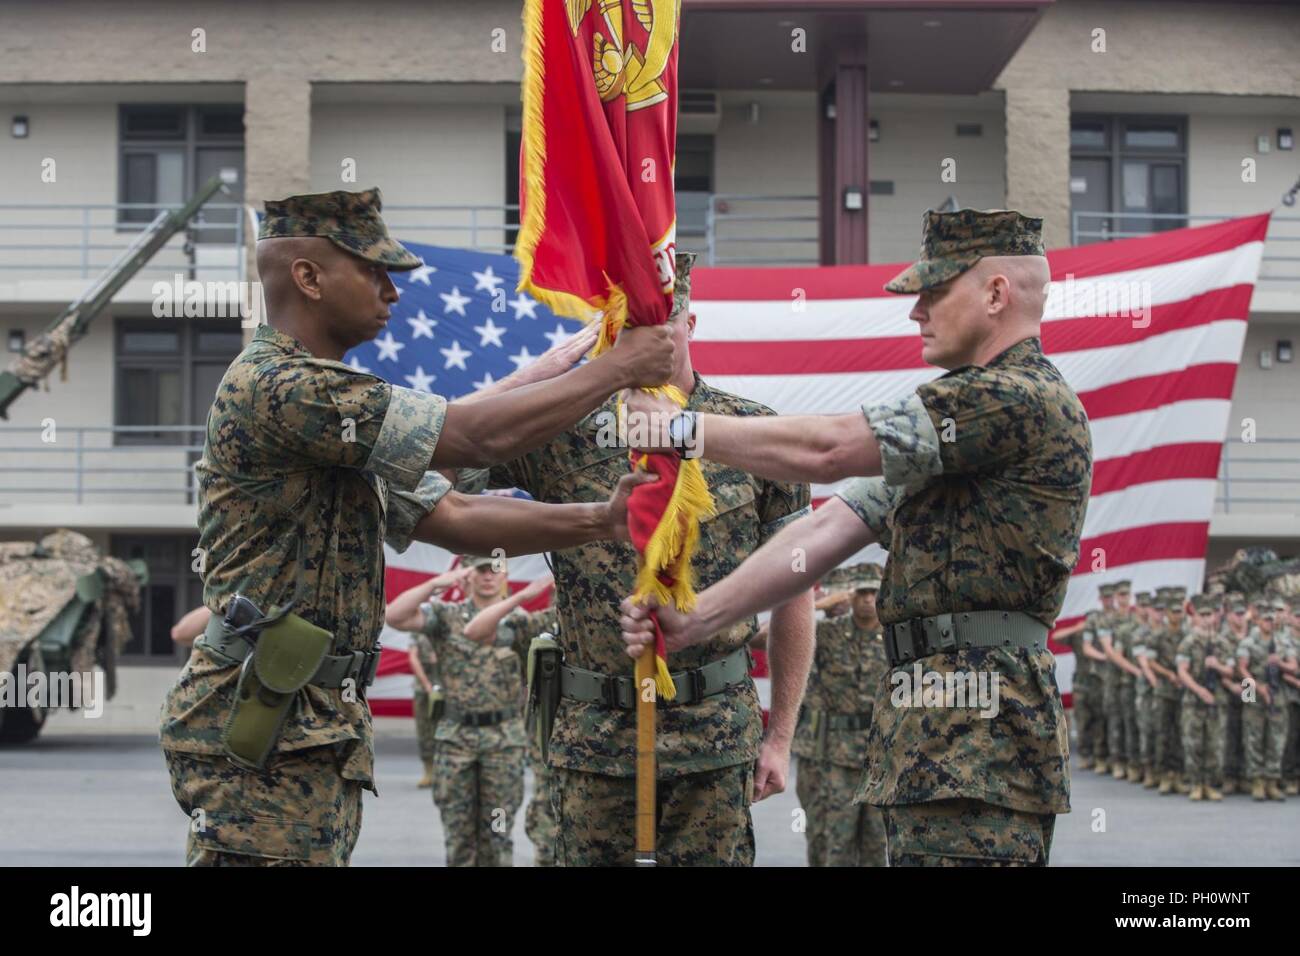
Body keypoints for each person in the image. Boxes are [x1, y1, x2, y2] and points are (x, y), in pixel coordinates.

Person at [159, 187, 675, 867]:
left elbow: (455, 516)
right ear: (308, 277)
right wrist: (618, 369)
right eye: (373, 270)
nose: (392, 291)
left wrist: (599, 519)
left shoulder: (330, 412)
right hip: (267, 719)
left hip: (307, 720)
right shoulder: (281, 387)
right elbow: (472, 438)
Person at [621, 208, 1093, 866]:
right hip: (942, 743)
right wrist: (697, 619)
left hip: (983, 745)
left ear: (995, 294)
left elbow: (829, 450)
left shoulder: (1013, 397)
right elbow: (824, 532)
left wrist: (679, 428)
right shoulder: (960, 429)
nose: (916, 311)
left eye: (935, 292)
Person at [453, 253, 815, 866]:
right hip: (595, 736)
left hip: (715, 735)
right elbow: (437, 463)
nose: (645, 341)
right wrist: (534, 379)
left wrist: (779, 735)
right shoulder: (562, 431)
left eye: (660, 323)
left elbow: (795, 586)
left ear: (689, 325)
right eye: (627, 326)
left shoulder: (750, 431)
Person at [386, 557, 551, 865]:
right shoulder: (447, 615)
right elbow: (394, 616)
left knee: (498, 834)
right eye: (481, 570)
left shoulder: (518, 620)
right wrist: (436, 583)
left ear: (505, 574)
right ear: (468, 574)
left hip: (503, 742)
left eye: (495, 570)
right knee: (458, 836)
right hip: (456, 739)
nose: (488, 576)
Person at [458, 572, 562, 865]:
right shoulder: (545, 623)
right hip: (553, 738)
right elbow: (475, 631)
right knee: (549, 815)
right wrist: (523, 596)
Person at [793, 563, 888, 867]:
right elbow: (768, 635)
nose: (868, 599)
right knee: (833, 844)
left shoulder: (895, 638)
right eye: (861, 591)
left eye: (874, 592)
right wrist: (820, 604)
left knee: (877, 847)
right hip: (834, 755)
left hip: (881, 758)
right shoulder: (830, 633)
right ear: (850, 594)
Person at [405, 566, 472, 788]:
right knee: (425, 729)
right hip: (423, 685)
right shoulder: (419, 628)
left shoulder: (448, 624)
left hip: (445, 685)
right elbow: (413, 657)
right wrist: (427, 686)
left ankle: (448, 772)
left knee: (447, 728)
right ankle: (428, 771)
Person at [1238, 595, 1296, 801]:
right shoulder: (1248, 641)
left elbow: (1293, 666)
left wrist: (1279, 663)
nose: (1269, 623)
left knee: (1277, 736)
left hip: (1276, 689)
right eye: (1266, 619)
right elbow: (1242, 669)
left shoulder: (1282, 641)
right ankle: (1257, 780)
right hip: (1251, 687)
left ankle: (1272, 779)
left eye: (1272, 619)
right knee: (1252, 735)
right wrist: (1257, 687)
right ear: (1258, 621)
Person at [1175, 593, 1230, 801]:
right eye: (1203, 615)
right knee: (1193, 743)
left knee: (1215, 744)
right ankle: (1196, 784)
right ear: (1196, 616)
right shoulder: (1188, 643)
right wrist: (1199, 690)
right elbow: (1182, 671)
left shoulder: (1222, 643)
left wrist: (1218, 666)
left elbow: (1232, 671)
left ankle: (1210, 783)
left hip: (1217, 700)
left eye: (1210, 615)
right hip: (1194, 700)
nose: (1207, 619)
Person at [1218, 591, 1250, 793]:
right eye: (1236, 614)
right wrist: (1231, 686)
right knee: (1229, 730)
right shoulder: (1222, 638)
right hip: (1228, 687)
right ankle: (1229, 776)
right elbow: (1220, 668)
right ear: (1228, 614)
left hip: (1248, 685)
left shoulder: (1251, 634)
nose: (1240, 618)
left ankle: (1245, 775)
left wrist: (1248, 689)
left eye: (1242, 613)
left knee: (1248, 726)